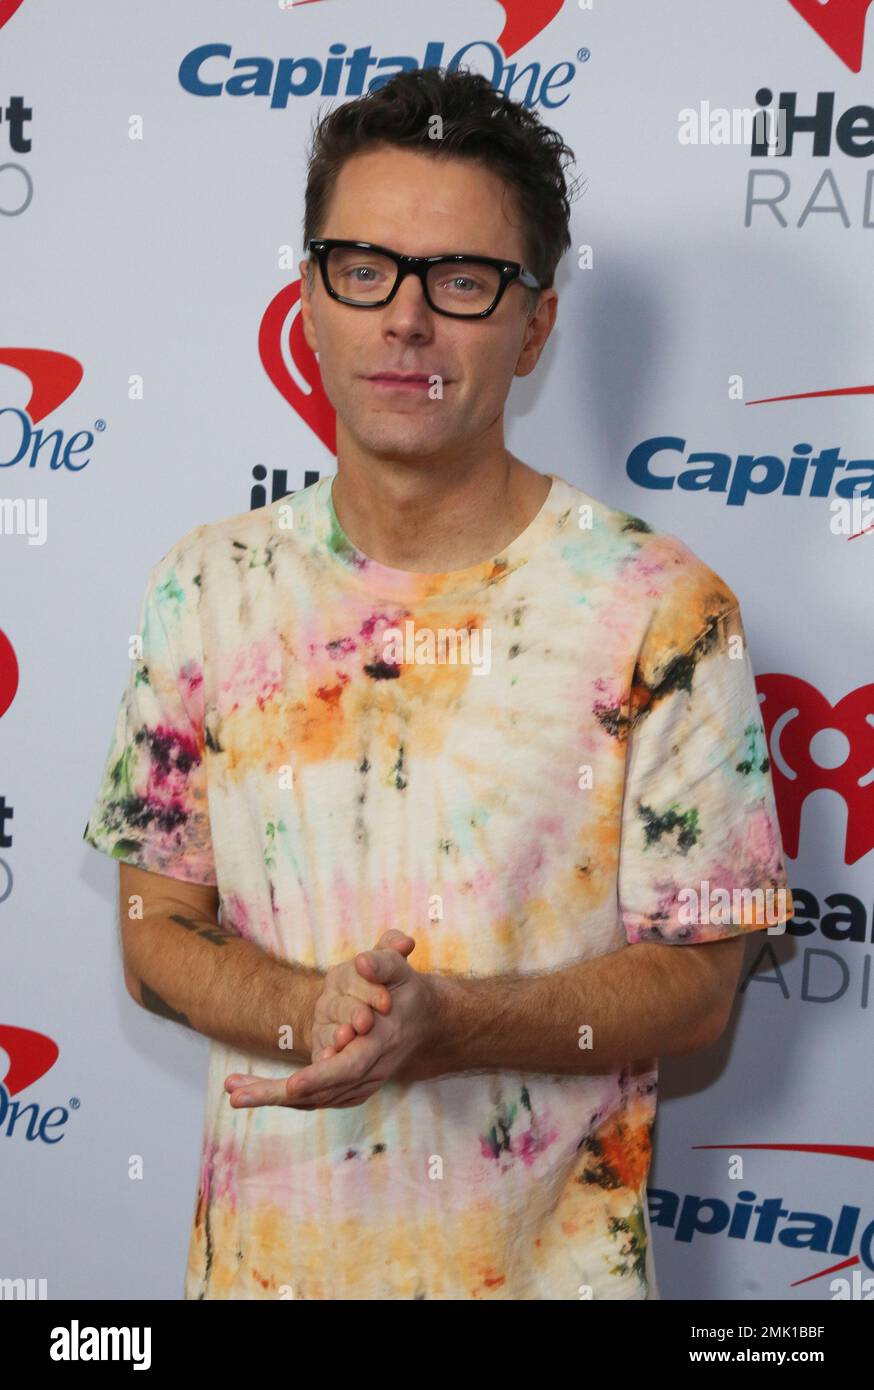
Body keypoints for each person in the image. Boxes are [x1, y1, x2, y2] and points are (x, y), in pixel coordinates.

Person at [83, 66, 794, 1301]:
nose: (406, 319)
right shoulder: (206, 586)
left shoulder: (662, 609)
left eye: (462, 280)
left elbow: (696, 994)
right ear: (309, 296)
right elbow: (153, 936)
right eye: (365, 266)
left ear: (534, 324)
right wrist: (324, 1013)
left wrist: (449, 1021)